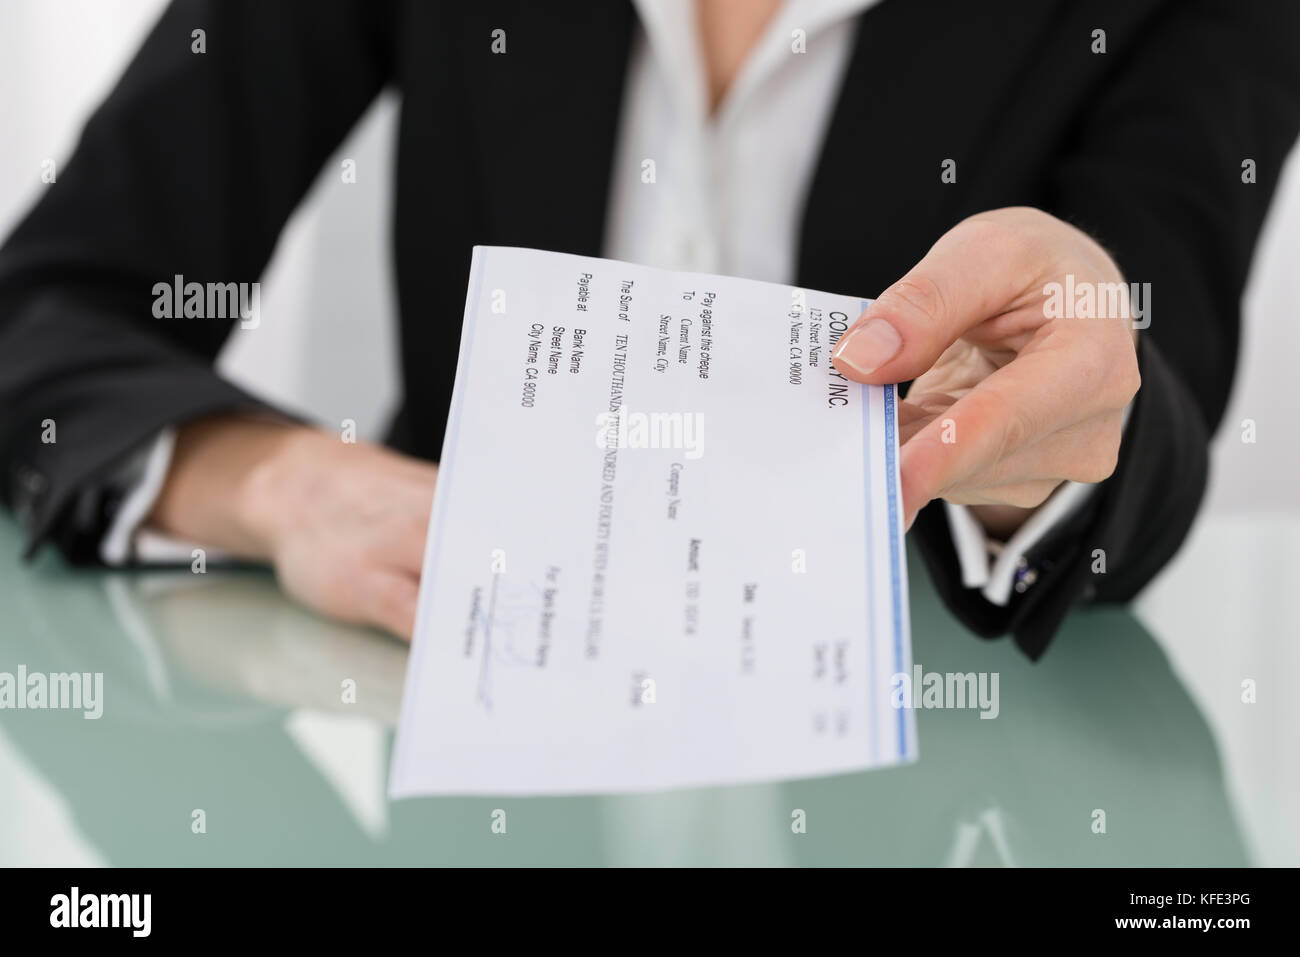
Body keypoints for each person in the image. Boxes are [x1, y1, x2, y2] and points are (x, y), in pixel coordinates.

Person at [2, 0, 1297, 658]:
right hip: (458, 727)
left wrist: (1043, 433)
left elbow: (1150, 408)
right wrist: (282, 484)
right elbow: (44, 308)